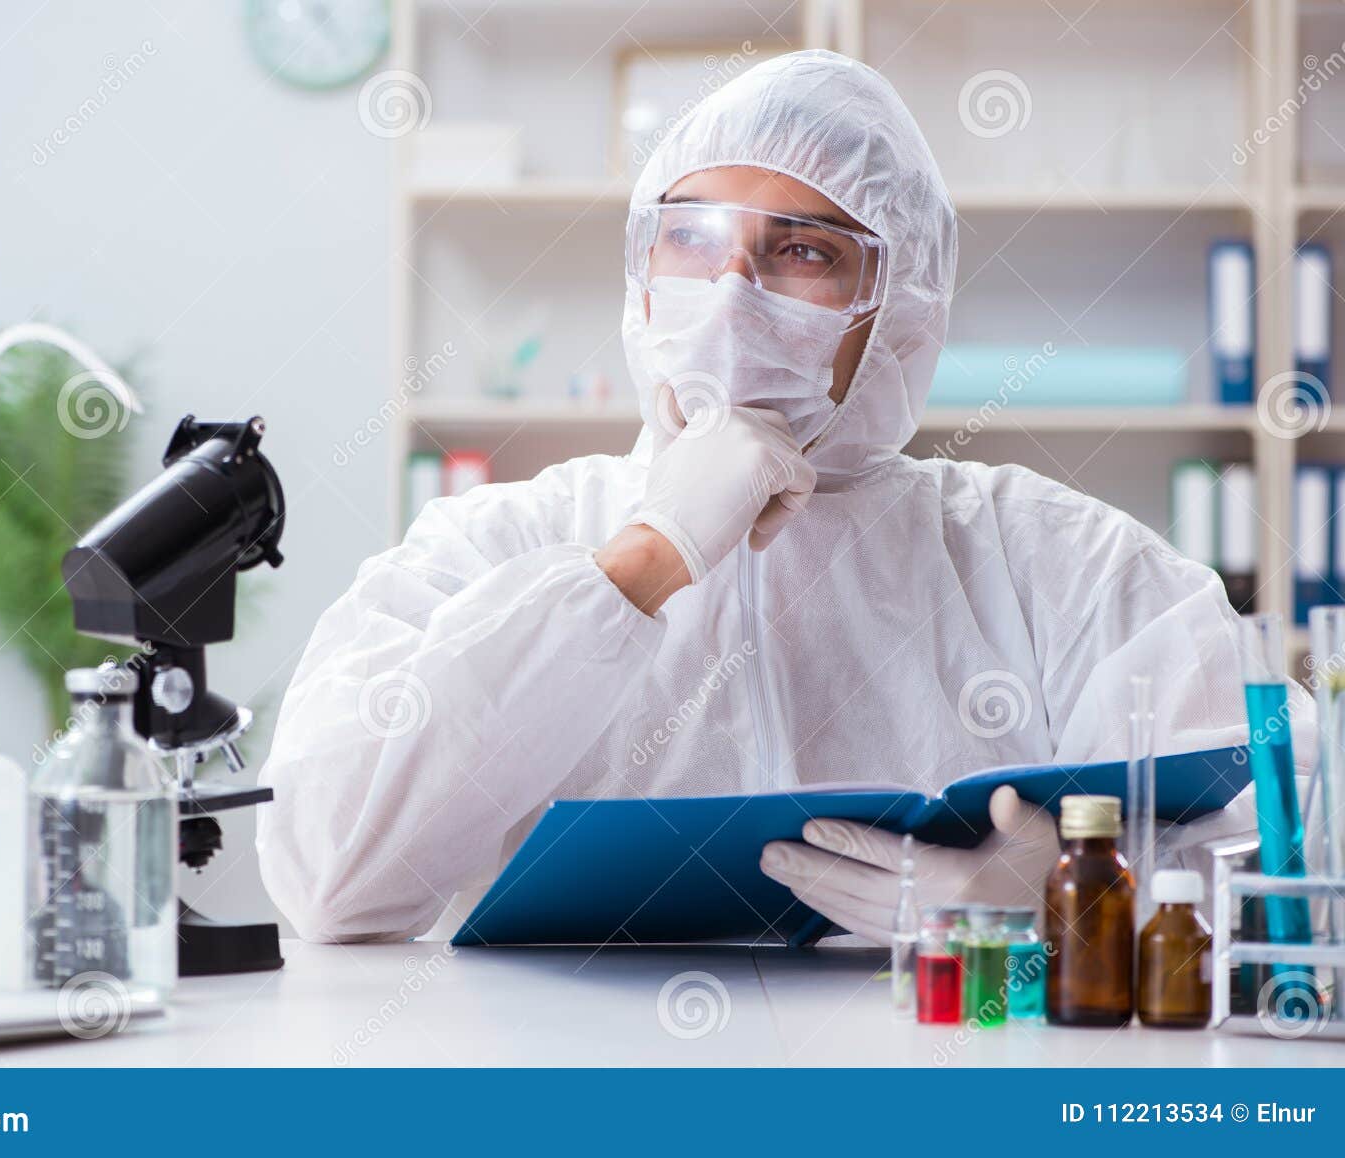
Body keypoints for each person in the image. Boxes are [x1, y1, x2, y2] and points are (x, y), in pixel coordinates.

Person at [256, 49, 1296, 945]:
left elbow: (1288, 830)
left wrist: (1071, 907)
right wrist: (640, 563)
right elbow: (330, 879)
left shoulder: (1047, 557)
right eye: (693, 240)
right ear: (643, 270)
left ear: (898, 306)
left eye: (803, 251)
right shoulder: (493, 542)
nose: (732, 291)